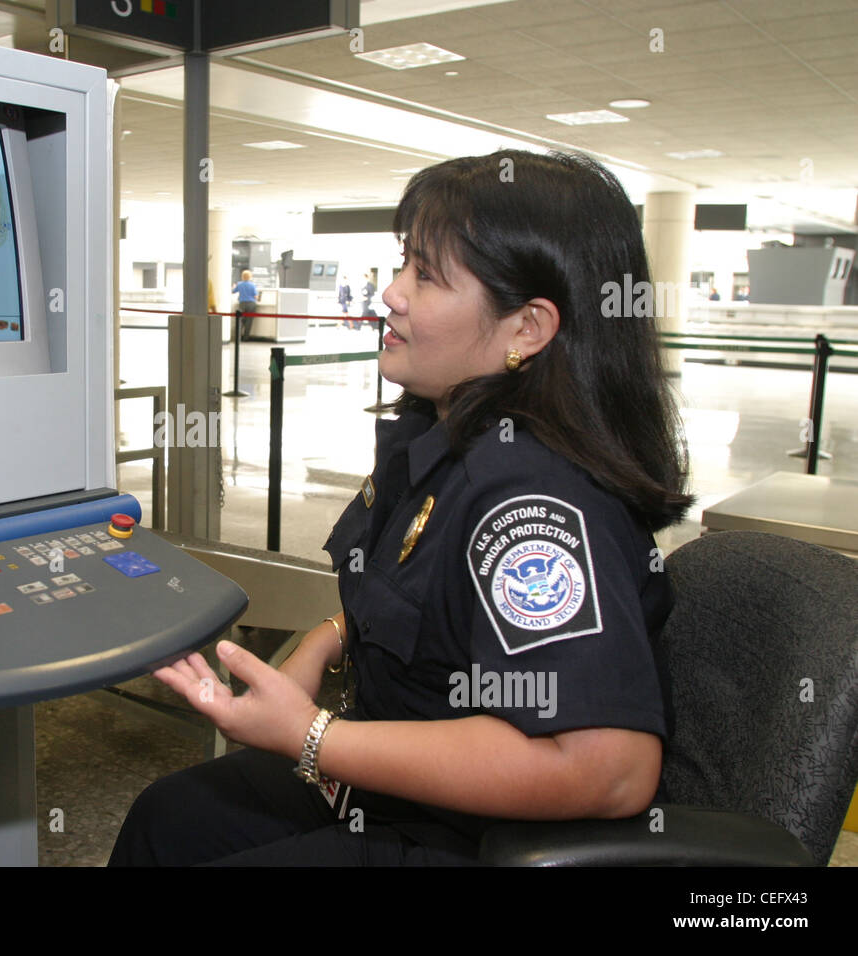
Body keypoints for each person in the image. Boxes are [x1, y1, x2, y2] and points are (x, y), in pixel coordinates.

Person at [109, 149, 693, 866]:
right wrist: (325, 642)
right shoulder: (445, 441)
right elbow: (424, 605)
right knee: (170, 820)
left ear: (527, 330)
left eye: (427, 275)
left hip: (480, 838)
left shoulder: (532, 504)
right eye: (404, 263)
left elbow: (608, 769)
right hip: (396, 792)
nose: (391, 293)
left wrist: (312, 735)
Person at [232, 270, 259, 340]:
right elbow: (256, 296)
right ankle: (246, 338)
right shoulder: (252, 285)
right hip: (251, 304)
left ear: (242, 276)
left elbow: (233, 291)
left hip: (242, 303)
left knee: (240, 321)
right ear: (250, 277)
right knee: (249, 321)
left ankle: (238, 337)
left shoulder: (239, 284)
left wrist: (234, 286)